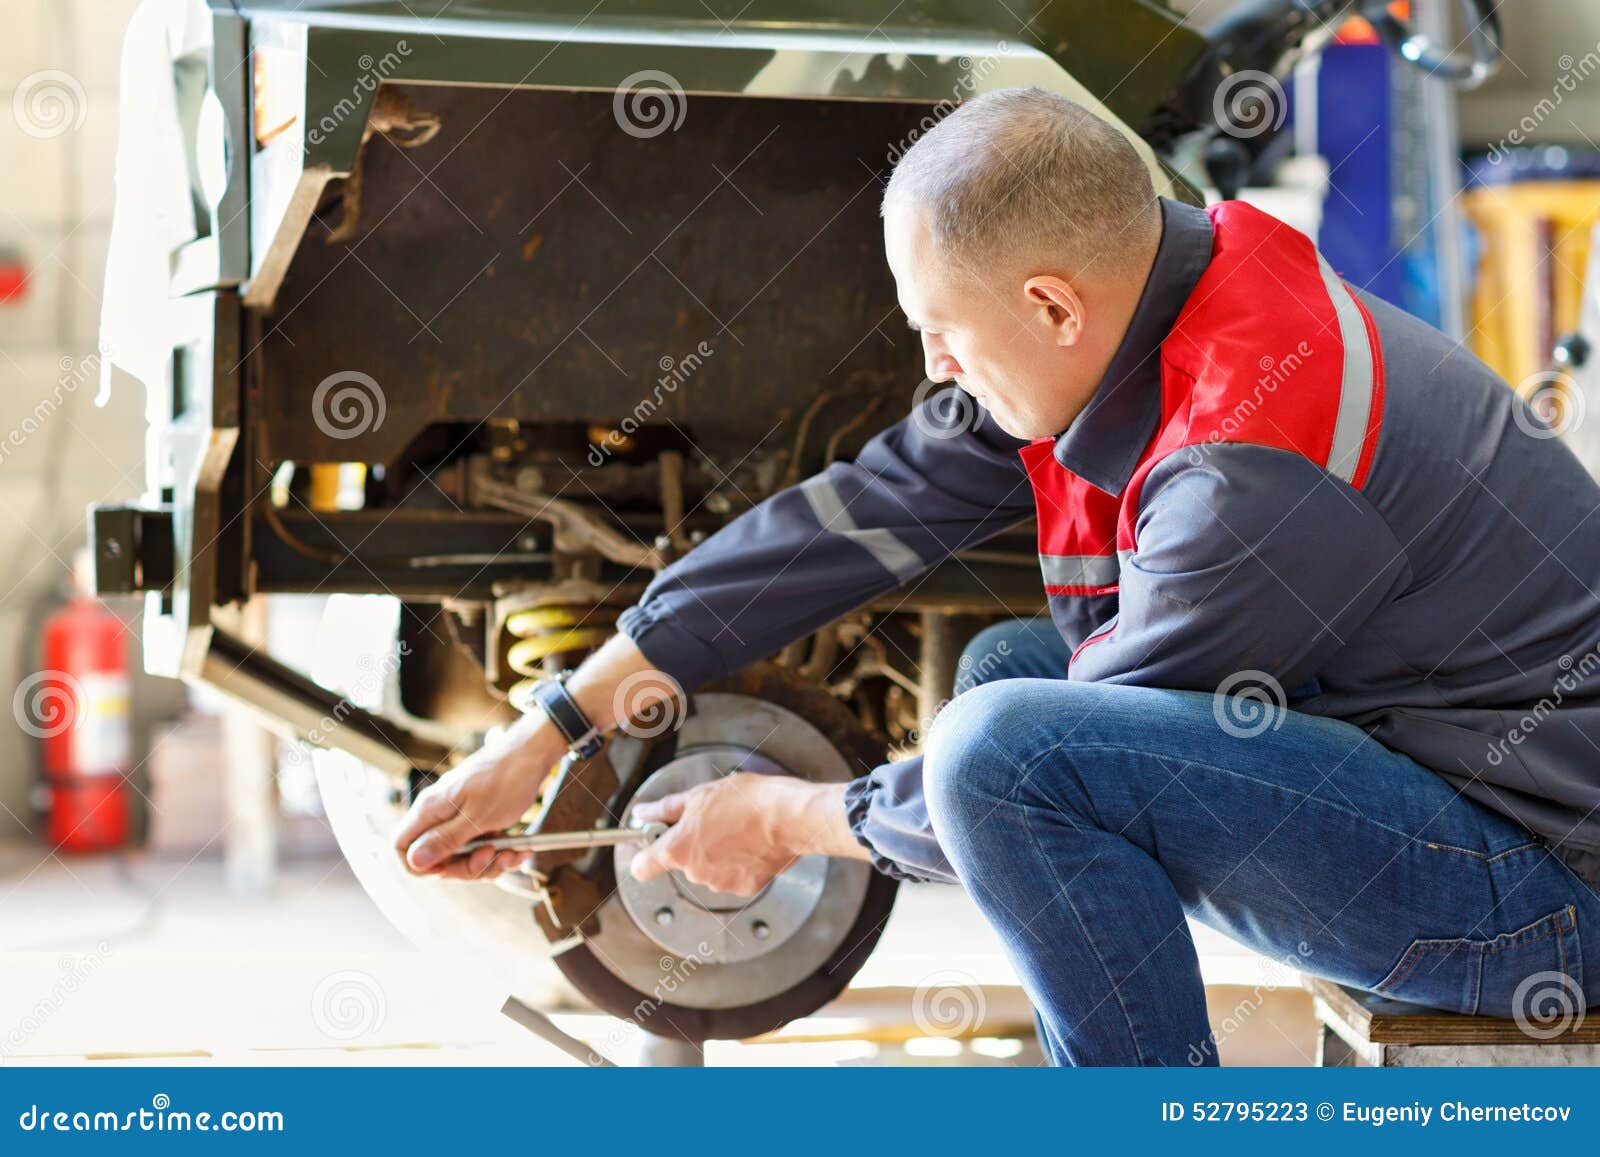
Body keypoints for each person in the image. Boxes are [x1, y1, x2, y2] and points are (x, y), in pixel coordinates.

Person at [396, 87, 1600, 1065]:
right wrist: (549, 727)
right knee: (1005, 672)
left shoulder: (1252, 459)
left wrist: (785, 821)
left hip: (1545, 893)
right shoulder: (1156, 296)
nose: (934, 364)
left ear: (1048, 304)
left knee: (1004, 746)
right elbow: (859, 513)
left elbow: (1030, 767)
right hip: (1434, 775)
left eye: (940, 333)